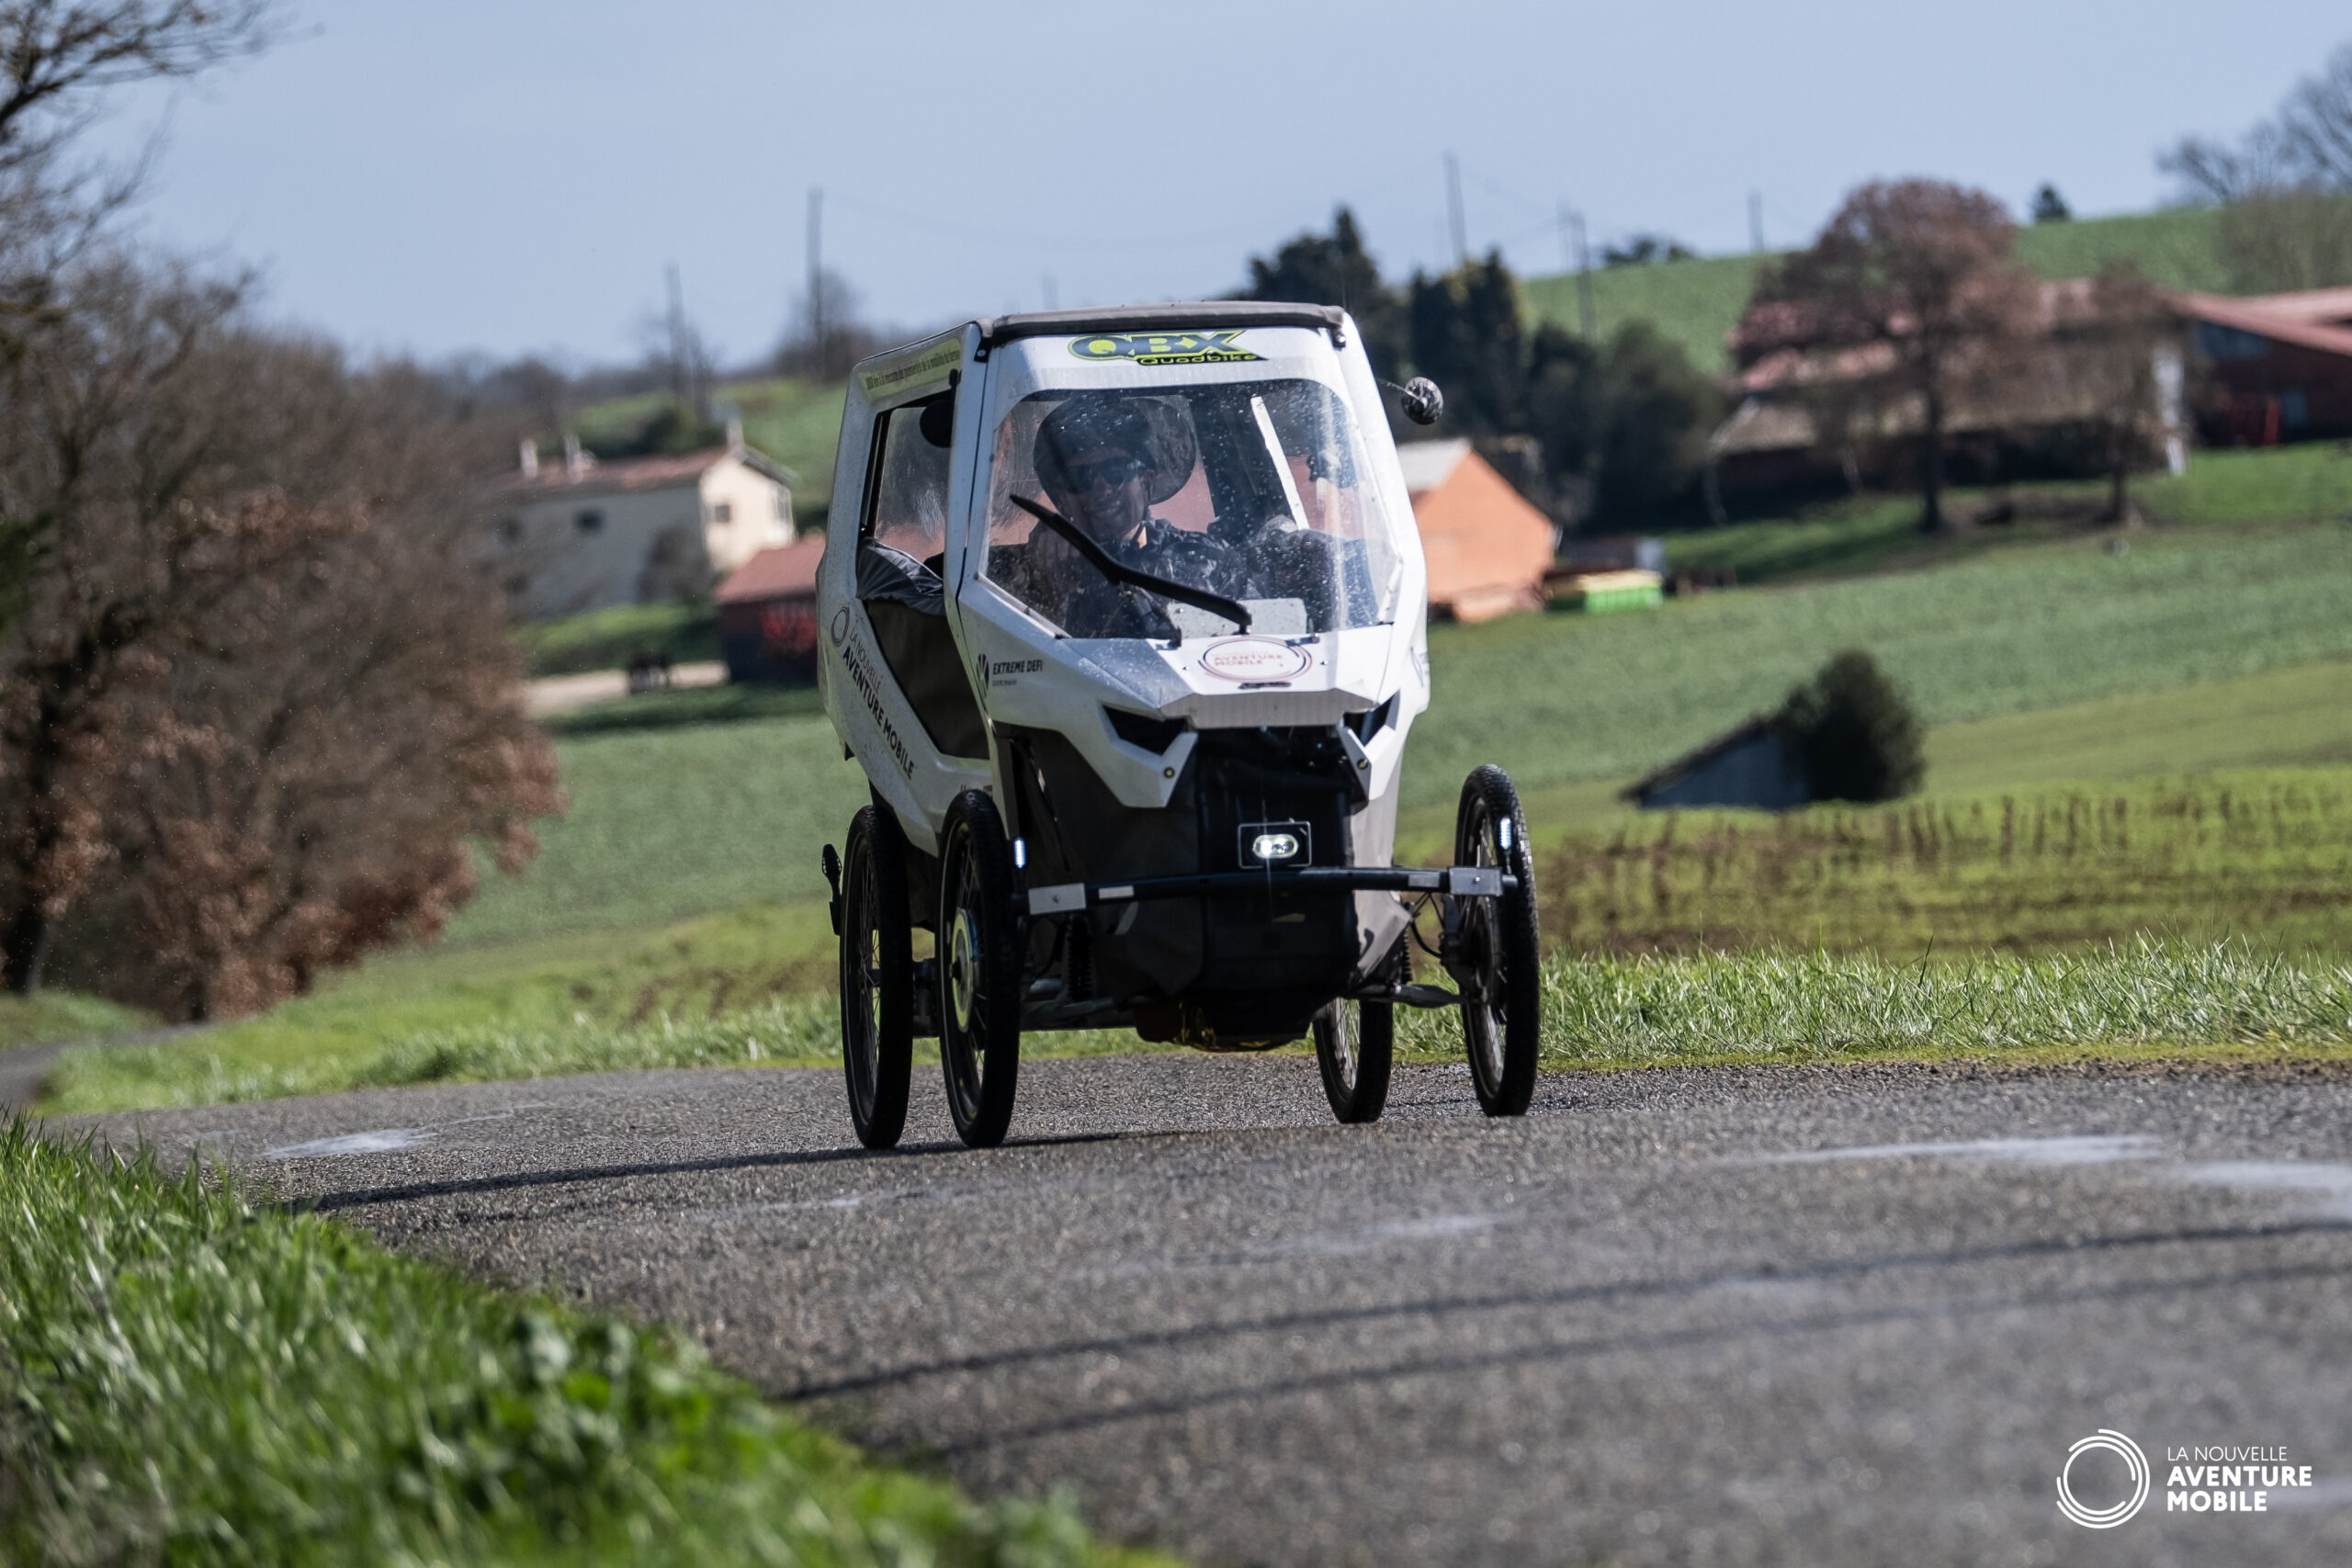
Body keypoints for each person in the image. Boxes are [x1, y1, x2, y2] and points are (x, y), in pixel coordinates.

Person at [1025, 396, 1227, 637]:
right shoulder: (1042, 566)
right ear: (1061, 500)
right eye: (1081, 478)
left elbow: (1252, 635)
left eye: (1116, 470)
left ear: (1147, 482)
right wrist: (1044, 577)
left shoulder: (1204, 555)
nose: (1102, 489)